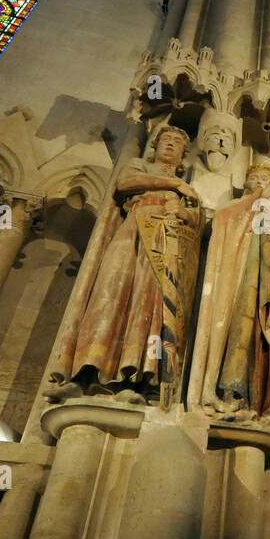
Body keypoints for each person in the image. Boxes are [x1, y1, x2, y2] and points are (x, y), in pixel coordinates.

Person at [69, 125, 202, 404]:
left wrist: (186, 213)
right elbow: (125, 182)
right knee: (110, 290)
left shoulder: (189, 188)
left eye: (177, 143)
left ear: (183, 156)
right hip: (133, 226)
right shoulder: (140, 166)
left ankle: (138, 377)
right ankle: (86, 373)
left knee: (151, 306)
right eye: (165, 139)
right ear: (154, 146)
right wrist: (174, 184)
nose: (170, 145)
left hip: (166, 239)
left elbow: (196, 224)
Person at [188, 162, 270, 427]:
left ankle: (268, 410)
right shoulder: (235, 209)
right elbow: (223, 231)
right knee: (238, 332)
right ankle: (232, 395)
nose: (260, 181)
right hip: (242, 283)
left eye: (265, 178)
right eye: (255, 177)